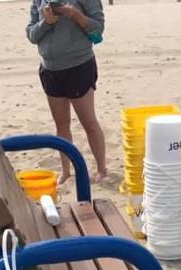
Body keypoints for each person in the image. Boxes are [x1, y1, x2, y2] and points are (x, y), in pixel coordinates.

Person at [26, 0, 107, 184]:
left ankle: (102, 169)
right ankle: (66, 171)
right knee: (61, 125)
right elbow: (31, 35)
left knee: (89, 122)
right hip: (50, 69)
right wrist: (46, 22)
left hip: (79, 66)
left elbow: (98, 30)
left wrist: (75, 15)